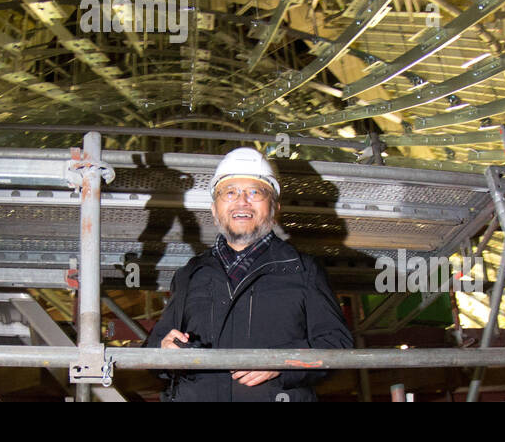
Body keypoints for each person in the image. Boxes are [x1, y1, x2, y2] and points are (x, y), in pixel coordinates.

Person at [143, 147, 355, 401]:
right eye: (230, 192)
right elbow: (153, 350)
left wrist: (282, 363)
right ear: (214, 209)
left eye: (255, 192)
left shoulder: (303, 270)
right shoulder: (190, 274)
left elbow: (337, 344)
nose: (241, 201)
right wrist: (164, 352)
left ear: (275, 207)